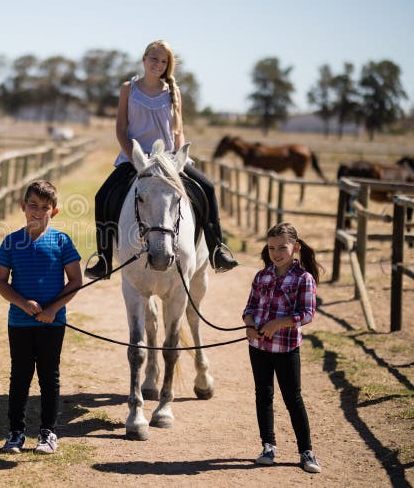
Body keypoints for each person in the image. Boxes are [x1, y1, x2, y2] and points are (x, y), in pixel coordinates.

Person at [84, 39, 238, 280]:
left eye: (163, 61)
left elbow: (179, 131)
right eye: (154, 58)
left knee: (207, 188)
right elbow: (121, 129)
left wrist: (179, 159)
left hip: (169, 160)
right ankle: (104, 258)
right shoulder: (129, 88)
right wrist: (136, 159)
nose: (158, 64)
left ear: (168, 65)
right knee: (103, 195)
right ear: (144, 59)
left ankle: (217, 249)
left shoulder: (173, 91)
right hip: (134, 158)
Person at [0, 179, 82, 454]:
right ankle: (16, 433)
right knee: (19, 376)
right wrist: (22, 303)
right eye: (33, 205)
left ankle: (48, 433)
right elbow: (0, 281)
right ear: (23, 206)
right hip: (19, 323)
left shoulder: (62, 242)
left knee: (48, 376)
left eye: (45, 207)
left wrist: (53, 310)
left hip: (52, 324)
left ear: (53, 211)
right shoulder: (11, 242)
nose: (37, 211)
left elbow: (75, 281)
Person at [242, 222, 323, 473]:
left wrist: (278, 323)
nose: (276, 253)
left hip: (286, 349)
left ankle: (306, 451)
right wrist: (250, 324)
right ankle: (268, 446)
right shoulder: (262, 275)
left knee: (293, 399)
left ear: (295, 247)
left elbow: (307, 314)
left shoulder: (303, 279)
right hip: (258, 347)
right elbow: (250, 308)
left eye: (282, 248)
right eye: (271, 248)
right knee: (263, 395)